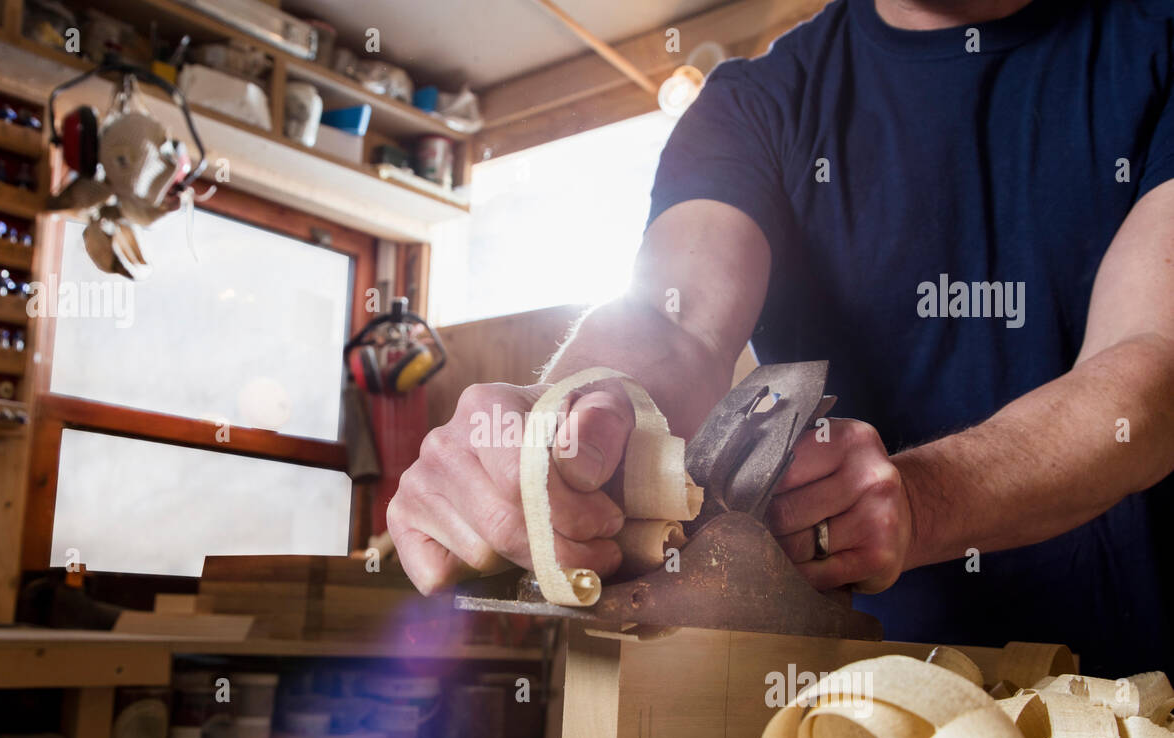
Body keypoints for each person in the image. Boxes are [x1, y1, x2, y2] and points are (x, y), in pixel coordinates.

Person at [387, 0, 1174, 678]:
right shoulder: (754, 104)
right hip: (847, 694)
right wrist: (557, 423)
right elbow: (673, 320)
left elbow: (1150, 368)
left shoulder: (1156, 45)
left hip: (1136, 689)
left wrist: (920, 503)